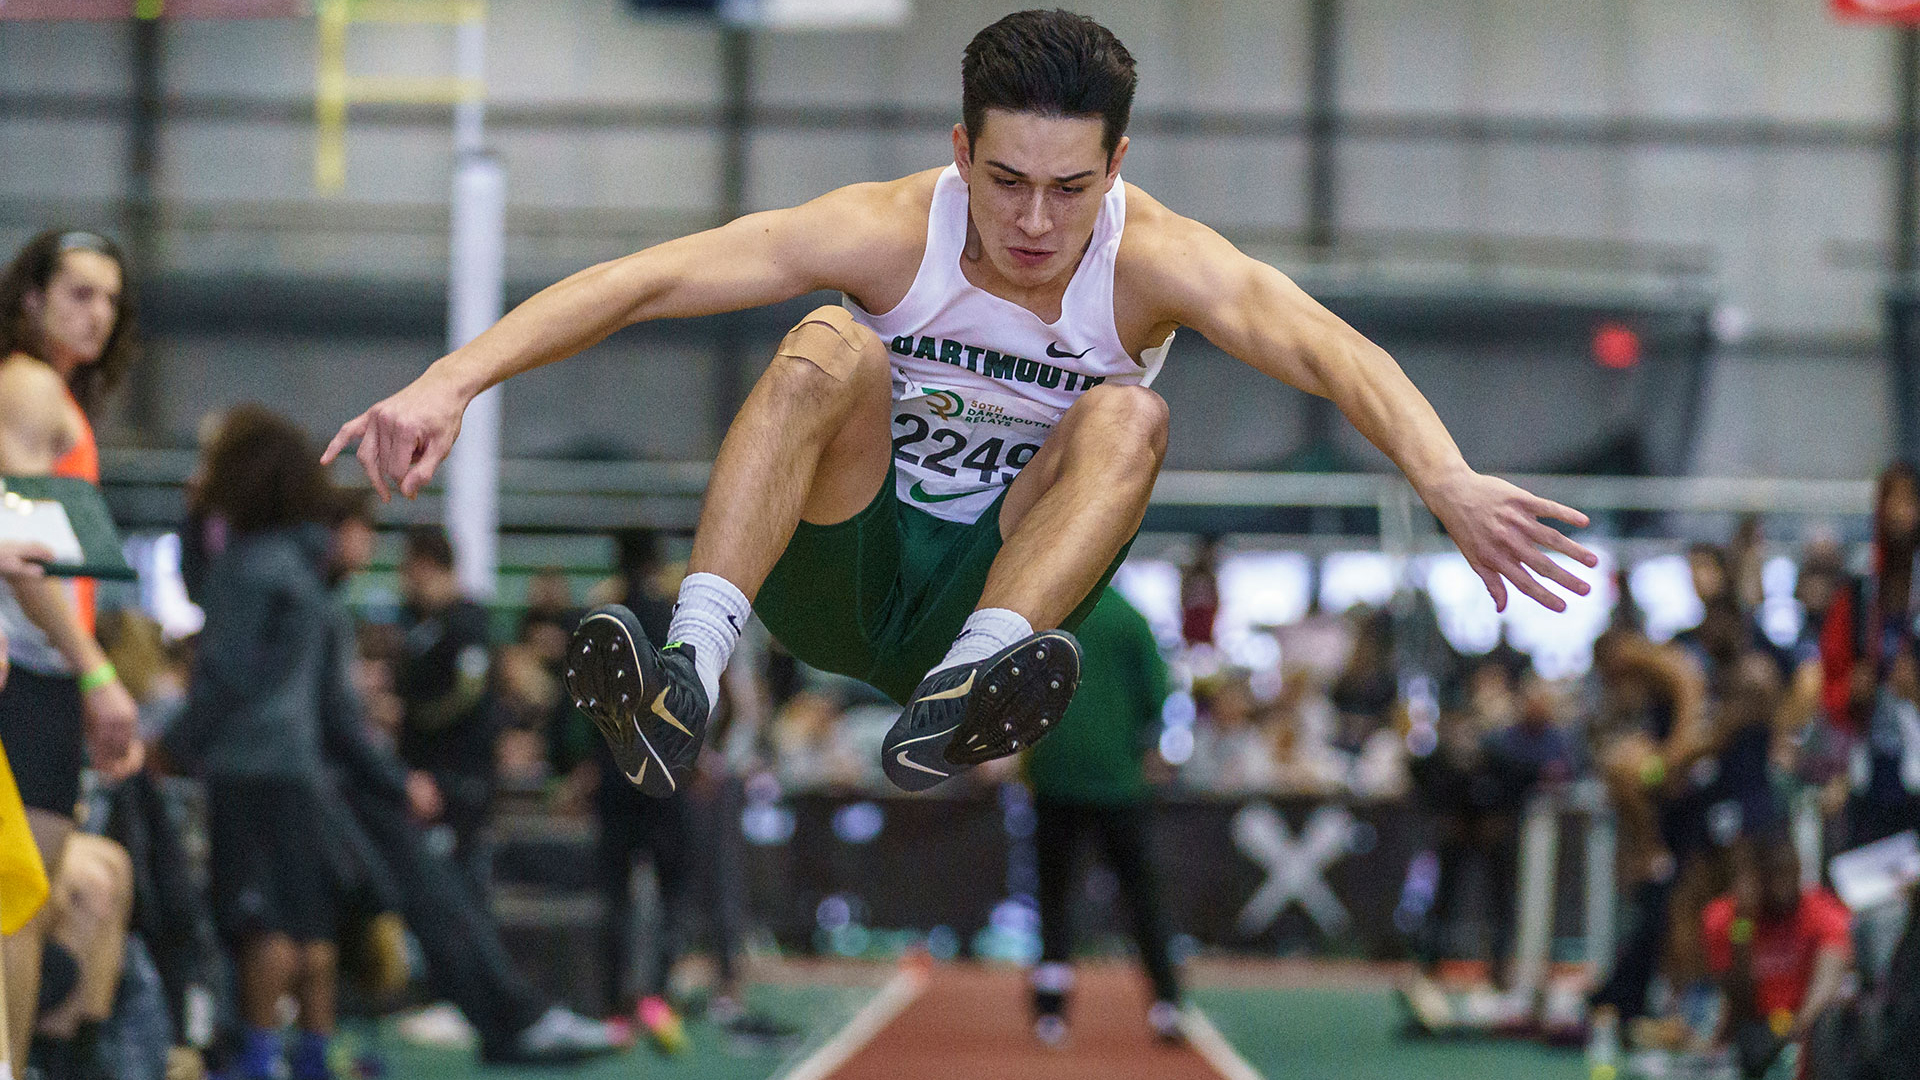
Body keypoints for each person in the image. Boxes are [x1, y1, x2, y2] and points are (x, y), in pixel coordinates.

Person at [325, 9, 1597, 802]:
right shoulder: (890, 231)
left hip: (999, 579)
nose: (1035, 223)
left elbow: (1322, 347)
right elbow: (649, 279)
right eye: (1004, 182)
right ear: (956, 152)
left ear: (1118, 166)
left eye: (1069, 187)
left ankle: (971, 685)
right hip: (843, 555)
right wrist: (454, 377)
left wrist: (1441, 475)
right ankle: (690, 674)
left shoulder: (1152, 257)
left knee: (1131, 417)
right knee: (828, 340)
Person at [319, 491, 626, 1067]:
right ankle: (497, 1013)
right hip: (377, 786)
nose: (373, 553)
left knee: (451, 894)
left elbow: (451, 700)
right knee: (429, 900)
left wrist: (398, 737)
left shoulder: (460, 622)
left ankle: (501, 1011)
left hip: (443, 785)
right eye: (363, 533)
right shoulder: (375, 616)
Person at [159, 406, 350, 1080]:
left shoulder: (246, 564)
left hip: (247, 764)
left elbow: (225, 673)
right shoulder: (304, 560)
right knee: (310, 928)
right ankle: (313, 1058)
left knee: (261, 924)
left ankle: (258, 1060)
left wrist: (173, 745)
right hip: (297, 765)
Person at [0, 230, 142, 1064]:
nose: (98, 314)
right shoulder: (27, 386)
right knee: (15, 904)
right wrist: (98, 675)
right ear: (31, 299)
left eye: (111, 299)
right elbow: (22, 552)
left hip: (45, 675)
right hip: (28, 671)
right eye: (79, 293)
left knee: (37, 902)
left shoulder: (57, 397)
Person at [1022, 587, 1181, 1047]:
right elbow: (1156, 695)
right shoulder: (1130, 617)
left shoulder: (1046, 608)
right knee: (1141, 896)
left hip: (1054, 775)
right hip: (1118, 782)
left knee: (1053, 897)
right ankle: (1166, 1004)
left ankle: (1050, 1013)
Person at [393, 525, 499, 898]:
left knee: (455, 887)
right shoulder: (421, 623)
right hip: (426, 775)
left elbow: (466, 694)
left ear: (425, 565)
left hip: (456, 778)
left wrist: (408, 713)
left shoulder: (466, 623)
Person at [1702, 836, 1851, 1079]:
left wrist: (1798, 1026)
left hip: (1804, 1031)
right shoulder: (1728, 918)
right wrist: (1743, 922)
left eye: (1788, 872)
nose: (1782, 886)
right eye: (1774, 875)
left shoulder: (1820, 909)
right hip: (1752, 1029)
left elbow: (1829, 977)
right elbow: (1737, 997)